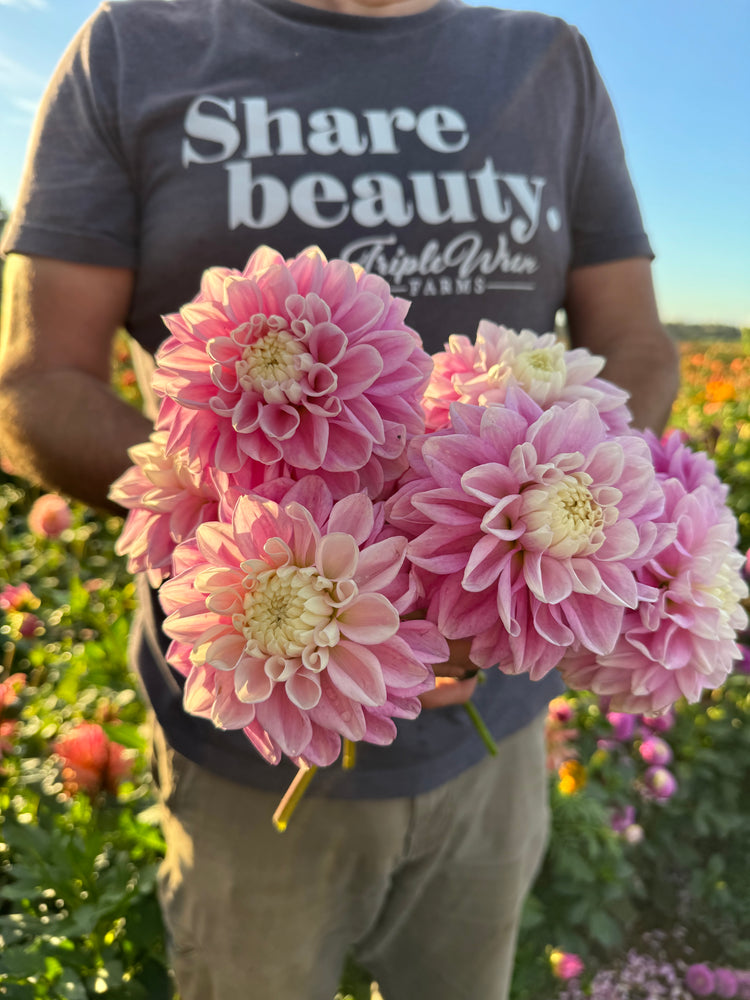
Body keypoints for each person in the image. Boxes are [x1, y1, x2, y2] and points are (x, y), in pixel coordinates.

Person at [0, 0, 679, 996]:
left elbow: (640, 345)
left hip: (496, 734)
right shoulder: (132, 47)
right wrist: (258, 538)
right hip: (251, 733)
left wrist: (556, 547)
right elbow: (35, 387)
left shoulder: (549, 63)